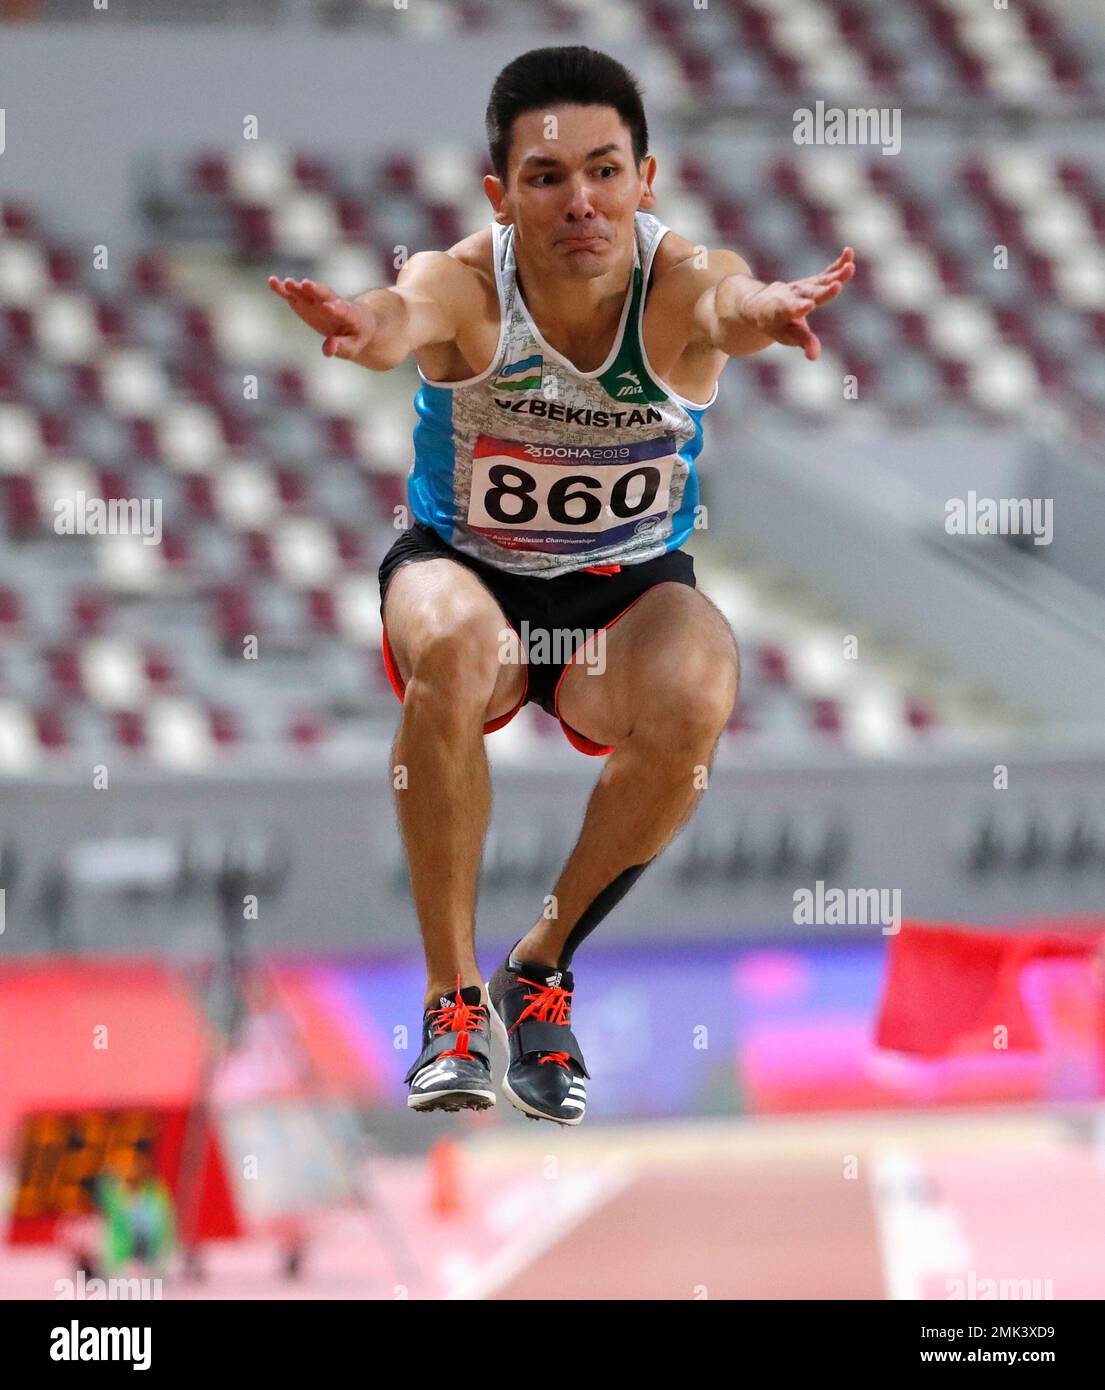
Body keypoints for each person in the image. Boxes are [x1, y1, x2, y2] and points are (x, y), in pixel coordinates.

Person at [269, 45, 854, 1125]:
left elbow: (729, 304)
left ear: (645, 180)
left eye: (603, 170)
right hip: (464, 574)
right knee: (454, 645)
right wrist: (363, 329)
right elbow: (402, 311)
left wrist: (767, 309)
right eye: (546, 177)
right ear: (501, 194)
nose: (578, 201)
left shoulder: (677, 283)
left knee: (700, 686)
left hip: (622, 596)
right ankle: (451, 1001)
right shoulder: (464, 279)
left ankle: (539, 962)